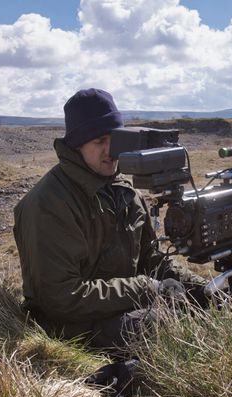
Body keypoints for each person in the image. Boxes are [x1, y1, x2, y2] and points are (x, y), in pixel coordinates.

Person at [13, 88, 205, 359]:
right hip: (67, 326)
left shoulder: (124, 189)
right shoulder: (49, 204)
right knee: (162, 325)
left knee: (203, 304)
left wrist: (202, 288)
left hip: (116, 308)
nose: (110, 151)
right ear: (77, 144)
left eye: (114, 139)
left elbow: (150, 258)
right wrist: (146, 288)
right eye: (99, 141)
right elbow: (61, 298)